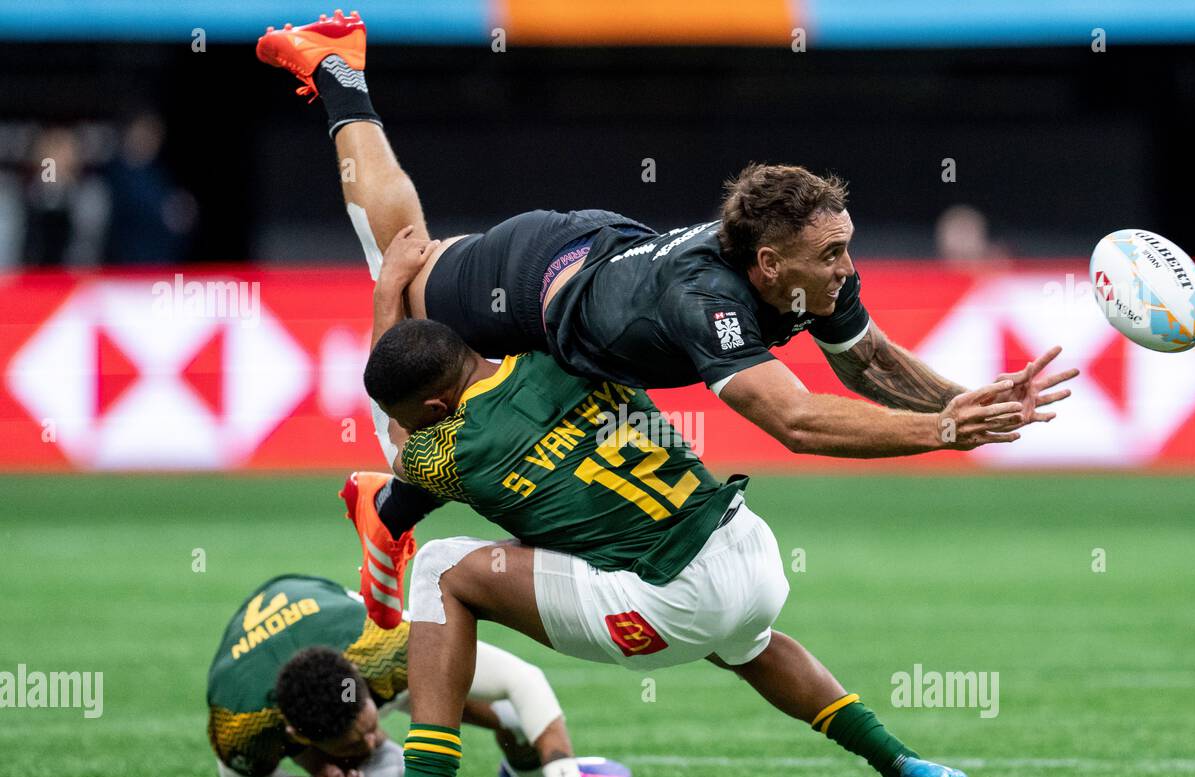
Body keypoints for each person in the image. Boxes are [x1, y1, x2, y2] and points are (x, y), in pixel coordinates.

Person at [256, 11, 1079, 629]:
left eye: (845, 248)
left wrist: (971, 398)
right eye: (830, 255)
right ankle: (339, 68)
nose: (846, 269)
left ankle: (394, 512)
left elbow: (866, 362)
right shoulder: (708, 300)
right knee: (399, 283)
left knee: (474, 443)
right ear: (766, 267)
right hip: (528, 281)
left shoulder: (816, 274)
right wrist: (940, 432)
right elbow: (791, 420)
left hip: (598, 256)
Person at [314, 307, 978, 777]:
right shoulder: (566, 349)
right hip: (746, 550)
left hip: (661, 605)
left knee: (439, 566)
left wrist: (389, 287)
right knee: (748, 645)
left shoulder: (448, 448)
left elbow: (397, 487)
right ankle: (900, 761)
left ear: (431, 410)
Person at [208, 573, 630, 777]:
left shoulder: (386, 646)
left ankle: (529, 767)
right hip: (268, 673)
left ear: (358, 677)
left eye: (371, 725)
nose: (374, 739)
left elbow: (523, 679)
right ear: (300, 736)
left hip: (326, 612)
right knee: (384, 770)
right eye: (357, 740)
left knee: (514, 717)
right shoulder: (239, 723)